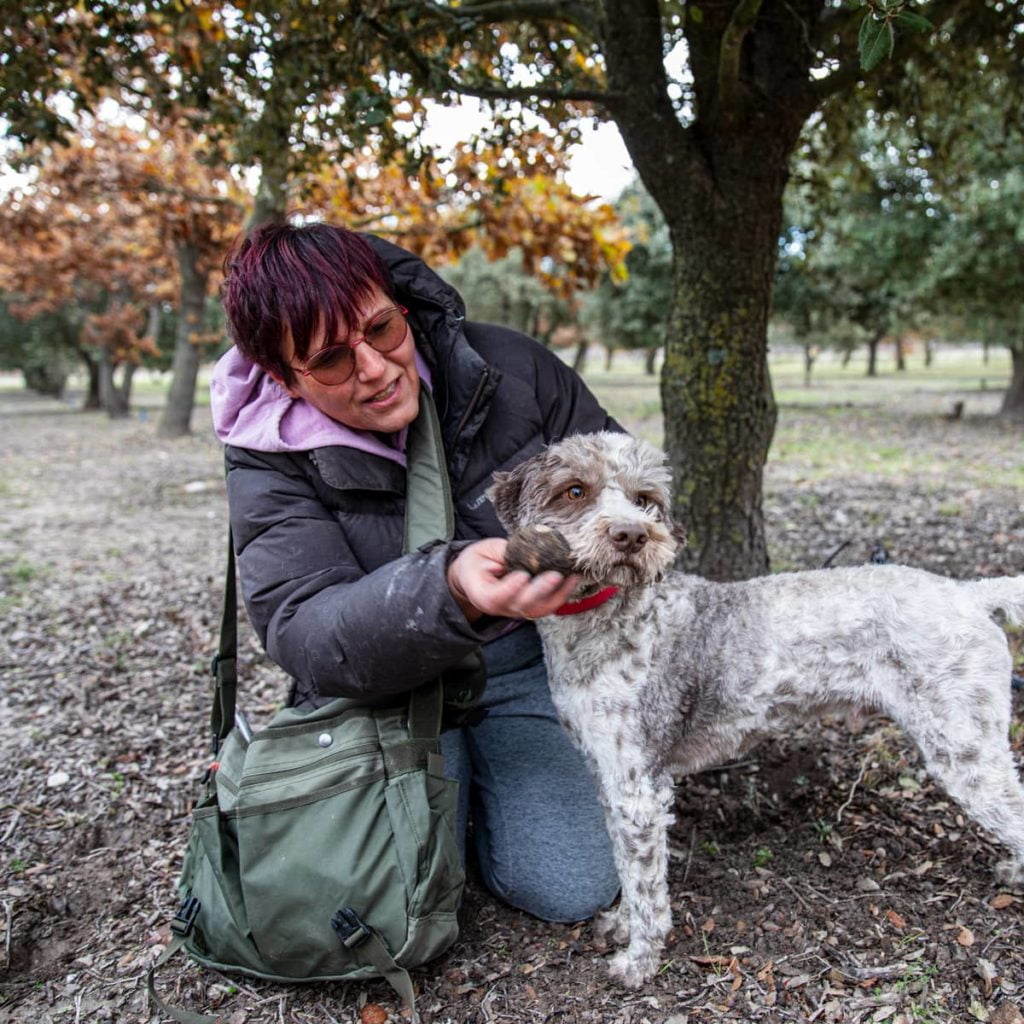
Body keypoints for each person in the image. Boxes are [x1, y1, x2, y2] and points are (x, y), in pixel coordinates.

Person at [211, 219, 621, 924]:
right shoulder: (266, 452)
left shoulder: (512, 368)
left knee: (572, 887)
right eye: (333, 361)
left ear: (402, 305)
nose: (374, 368)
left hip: (523, 664)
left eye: (381, 330)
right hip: (384, 689)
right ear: (284, 376)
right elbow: (303, 628)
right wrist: (451, 586)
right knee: (376, 907)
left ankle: (487, 803)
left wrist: (589, 569)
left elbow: (625, 492)